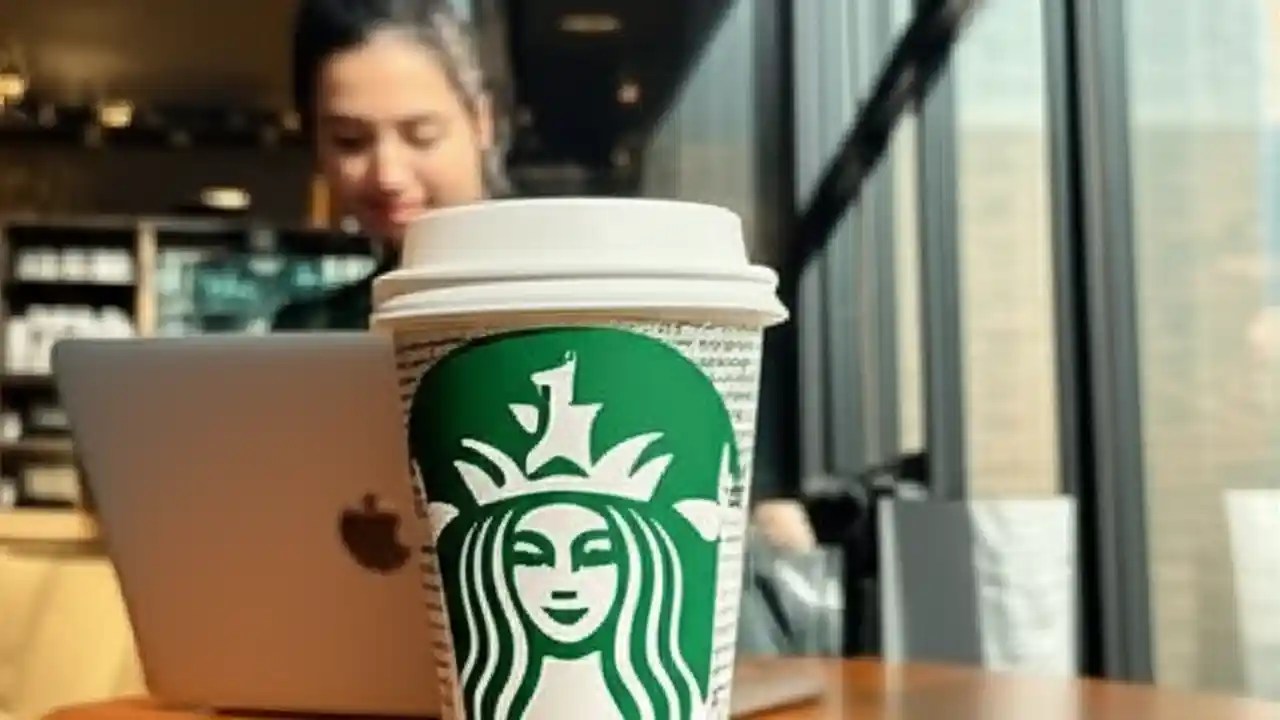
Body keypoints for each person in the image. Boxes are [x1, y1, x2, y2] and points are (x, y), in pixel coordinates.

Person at [274, 0, 506, 330]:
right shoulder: (314, 332)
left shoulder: (574, 297)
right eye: (350, 140)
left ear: (483, 123)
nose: (387, 176)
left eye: (421, 136)